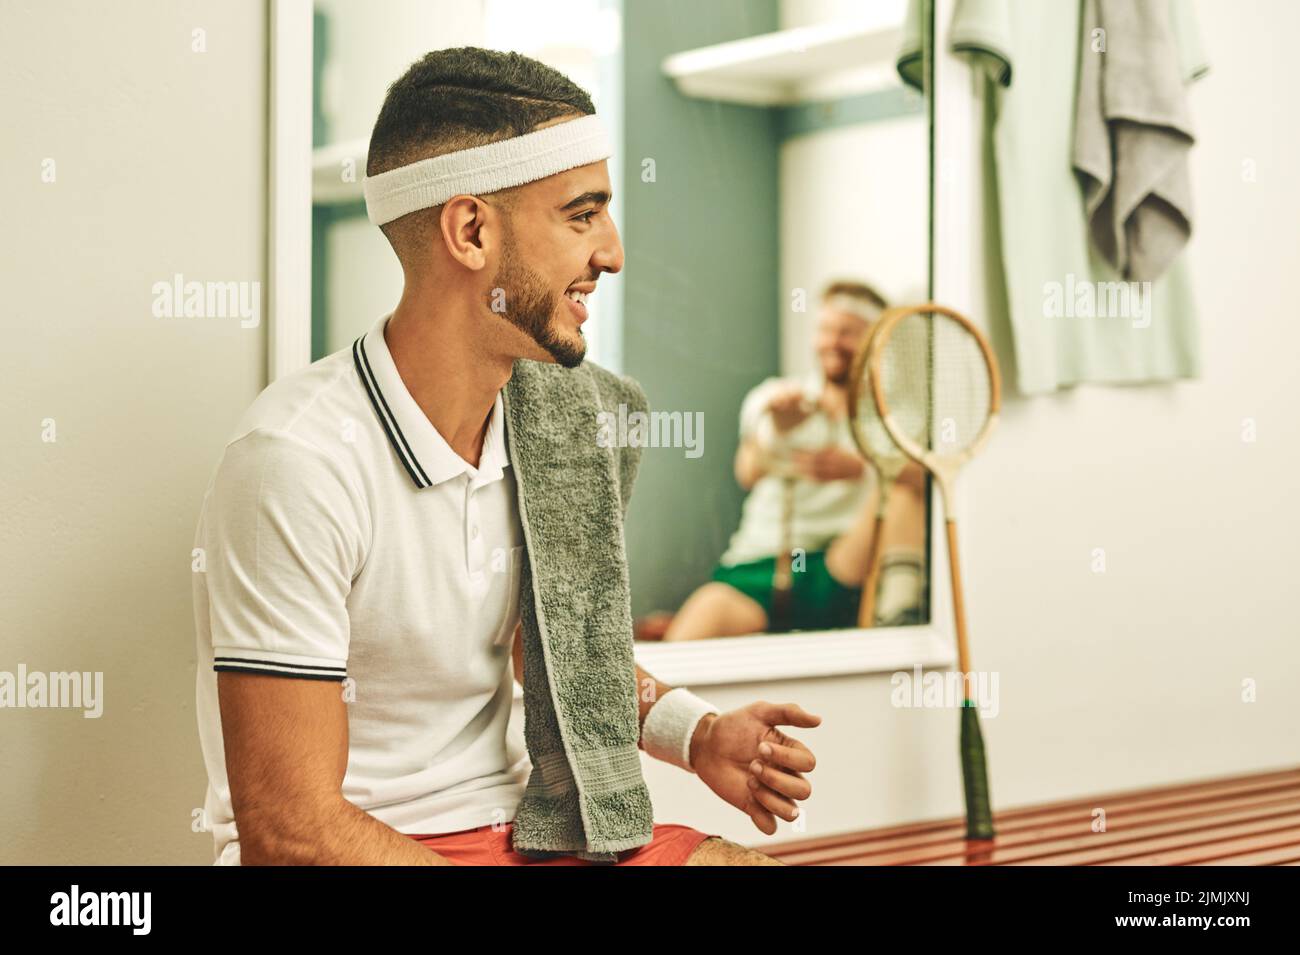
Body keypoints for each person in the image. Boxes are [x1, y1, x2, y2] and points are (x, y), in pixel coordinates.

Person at [191, 47, 818, 866]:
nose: (613, 252)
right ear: (472, 230)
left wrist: (694, 734)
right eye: (582, 214)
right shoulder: (297, 461)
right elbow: (293, 828)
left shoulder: (553, 428)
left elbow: (554, 645)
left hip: (528, 832)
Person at [660, 281, 927, 641]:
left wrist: (867, 467)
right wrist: (780, 431)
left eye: (847, 332)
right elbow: (748, 471)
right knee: (687, 641)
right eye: (826, 330)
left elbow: (925, 479)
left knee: (902, 491)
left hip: (837, 568)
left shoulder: (892, 421)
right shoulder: (776, 398)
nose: (832, 342)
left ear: (874, 342)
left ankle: (902, 618)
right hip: (761, 568)